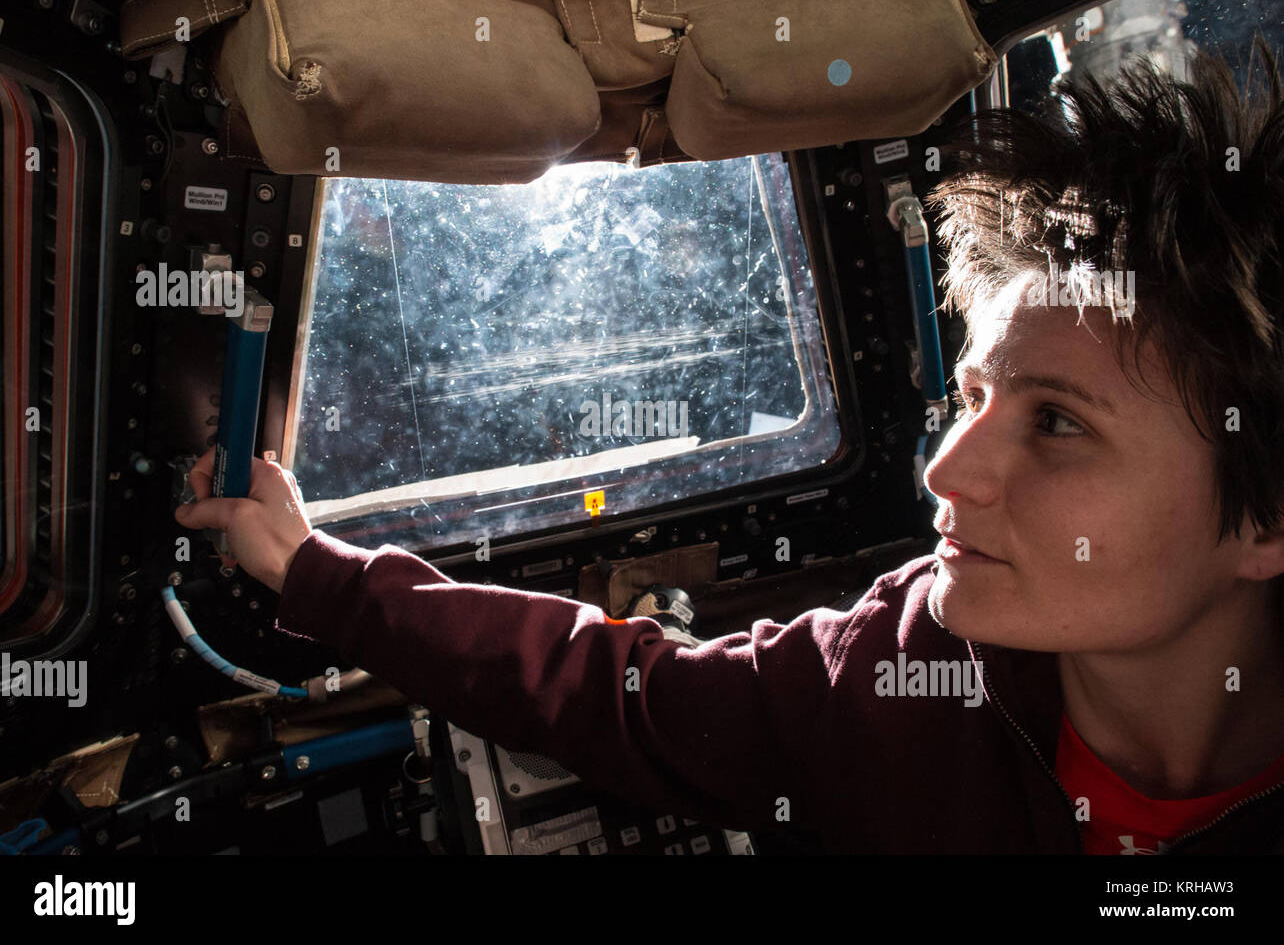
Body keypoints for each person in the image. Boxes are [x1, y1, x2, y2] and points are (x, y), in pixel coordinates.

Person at [174, 42, 1284, 853]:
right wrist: (317, 569)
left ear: (1265, 514)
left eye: (1057, 423)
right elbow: (608, 689)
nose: (947, 469)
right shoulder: (897, 673)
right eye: (972, 394)